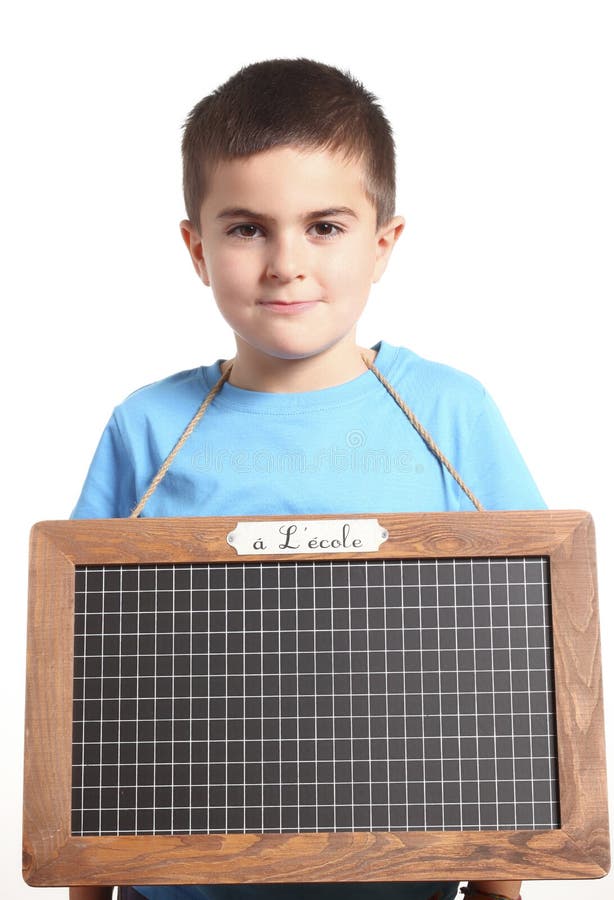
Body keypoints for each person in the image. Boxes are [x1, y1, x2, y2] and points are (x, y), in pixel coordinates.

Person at [70, 58, 539, 900]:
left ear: (384, 243)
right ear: (196, 247)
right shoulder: (149, 428)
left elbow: (520, 656)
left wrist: (503, 888)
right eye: (247, 228)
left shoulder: (451, 414)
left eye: (325, 226)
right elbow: (89, 679)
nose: (287, 262)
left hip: (411, 885)